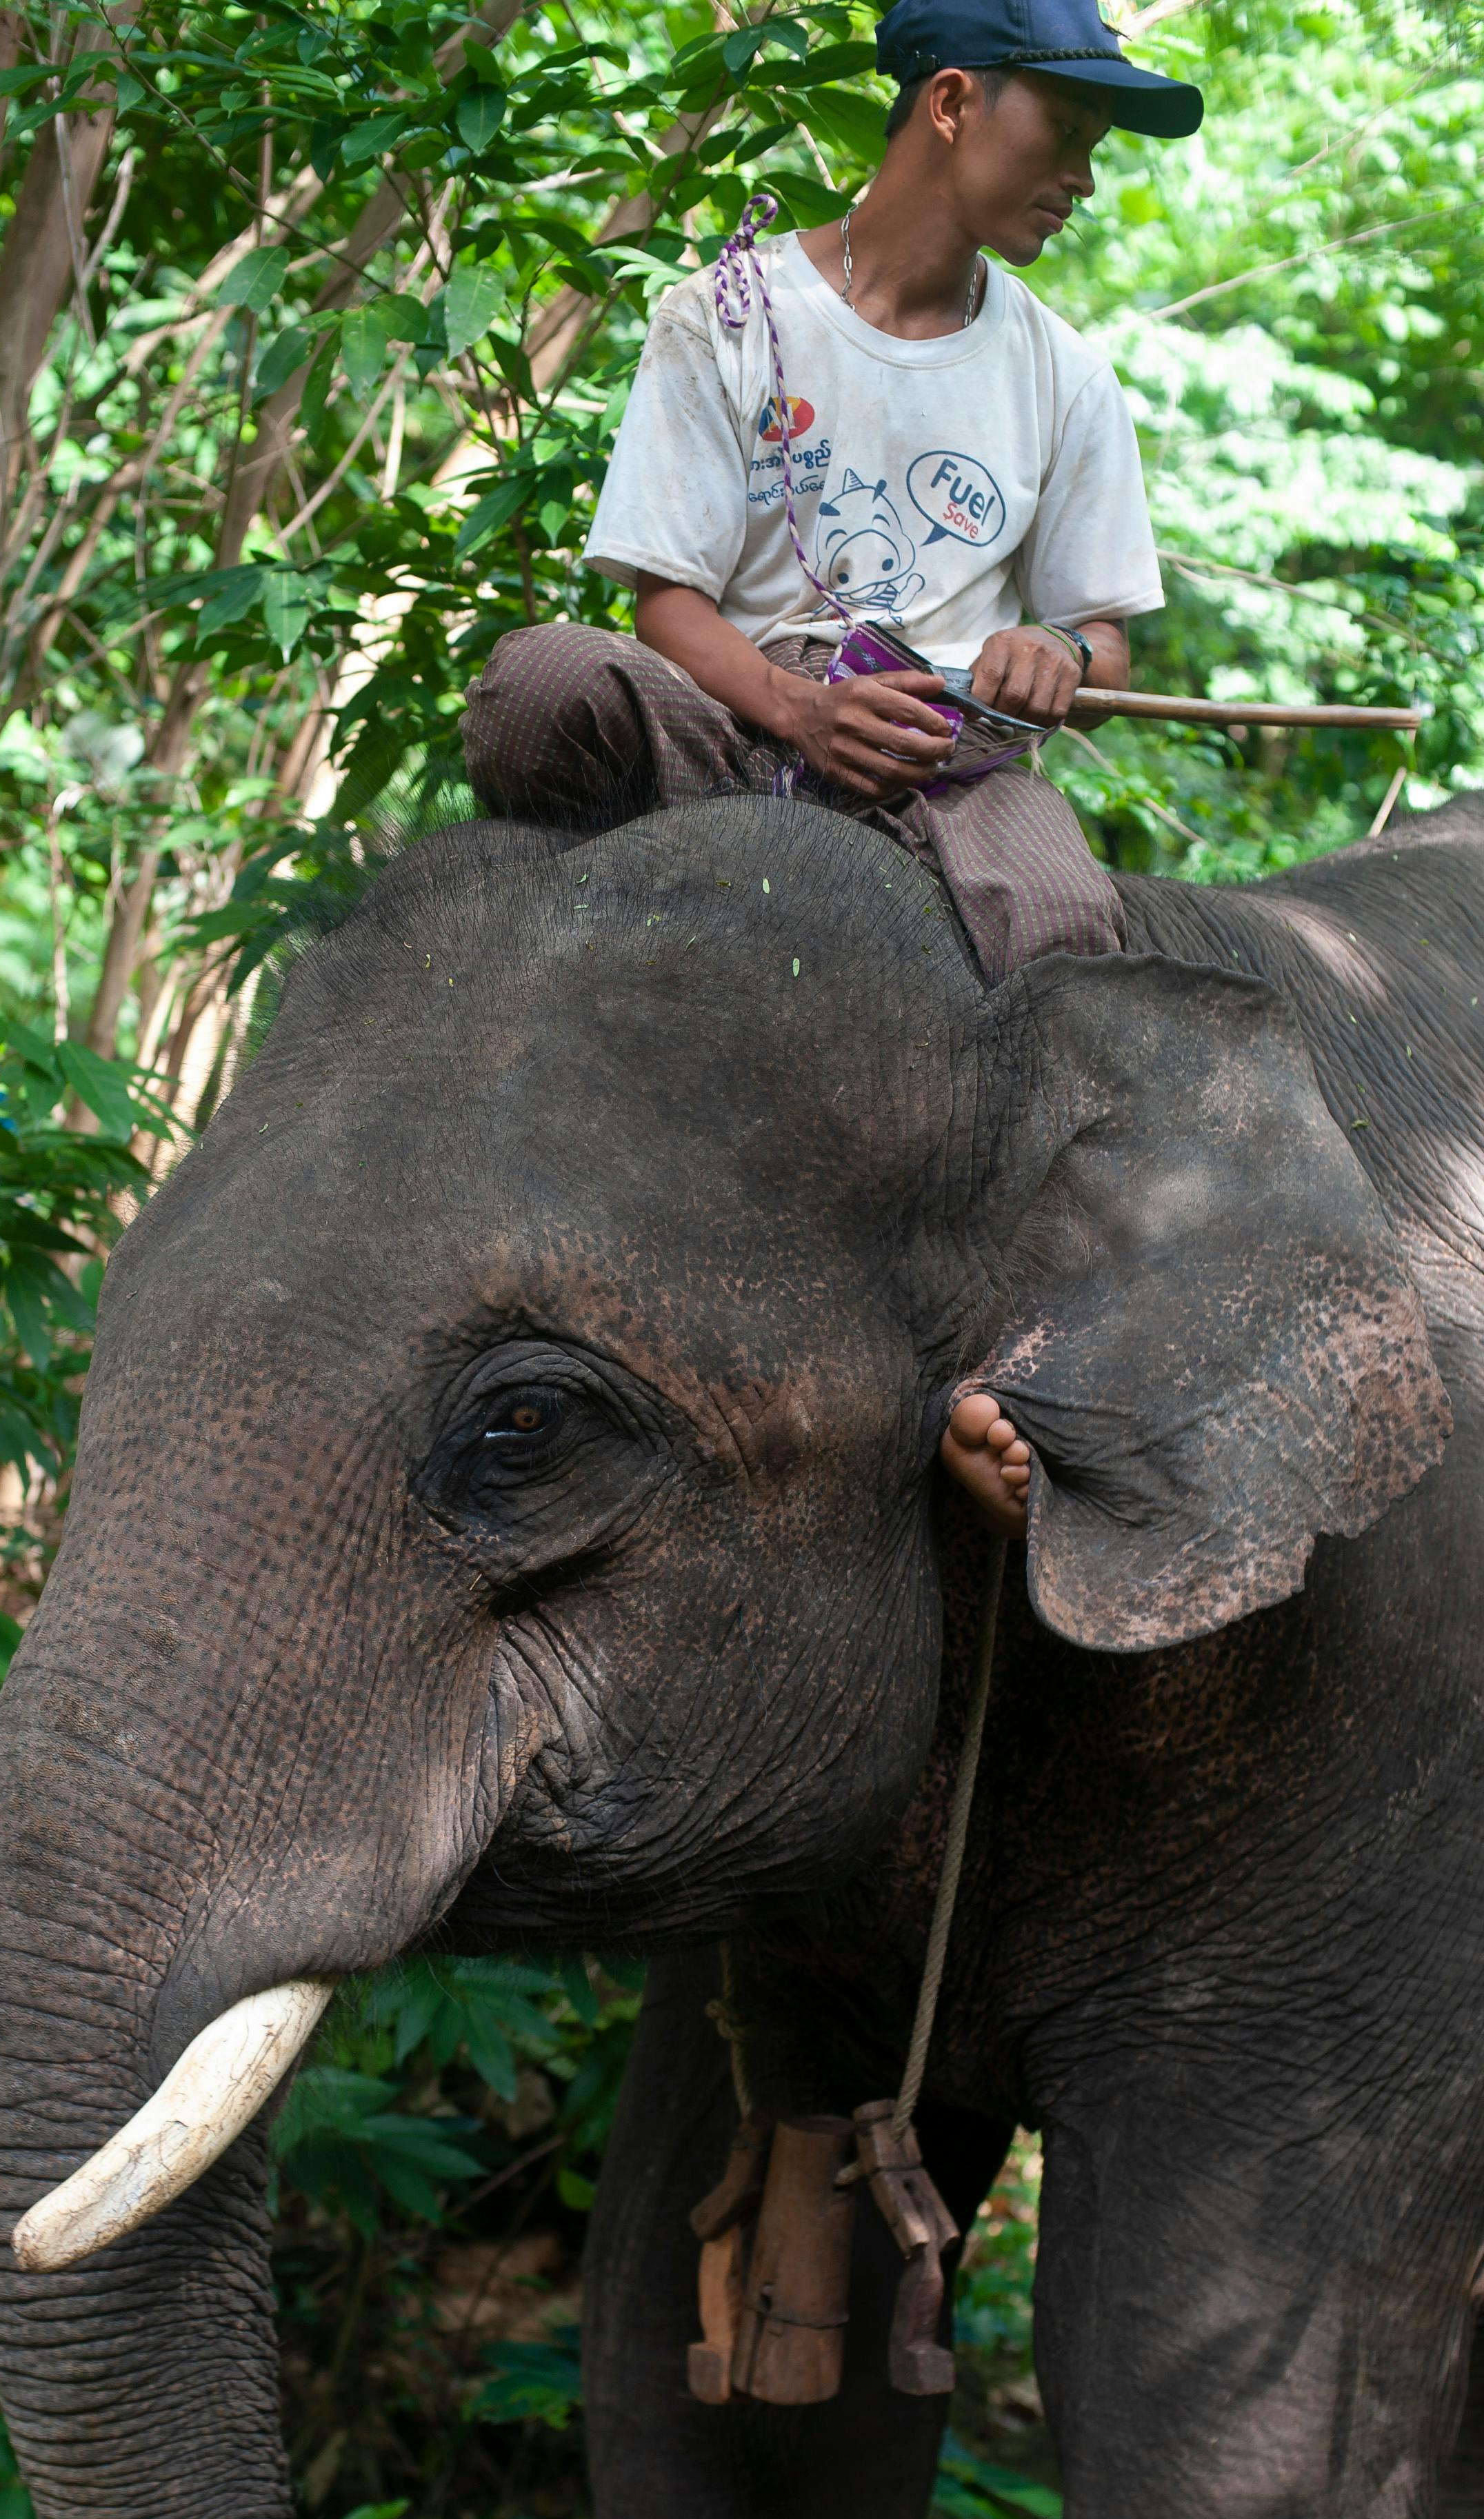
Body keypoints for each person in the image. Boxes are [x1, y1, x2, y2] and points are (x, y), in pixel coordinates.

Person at [461, 0, 1202, 1531]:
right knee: (539, 683)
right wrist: (795, 718)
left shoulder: (1063, 374)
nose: (1083, 174)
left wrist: (1055, 660)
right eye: (1061, 132)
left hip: (947, 756)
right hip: (737, 714)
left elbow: (1104, 647)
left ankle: (1005, 1361)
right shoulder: (725, 316)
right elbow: (662, 598)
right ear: (949, 101)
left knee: (1059, 918)